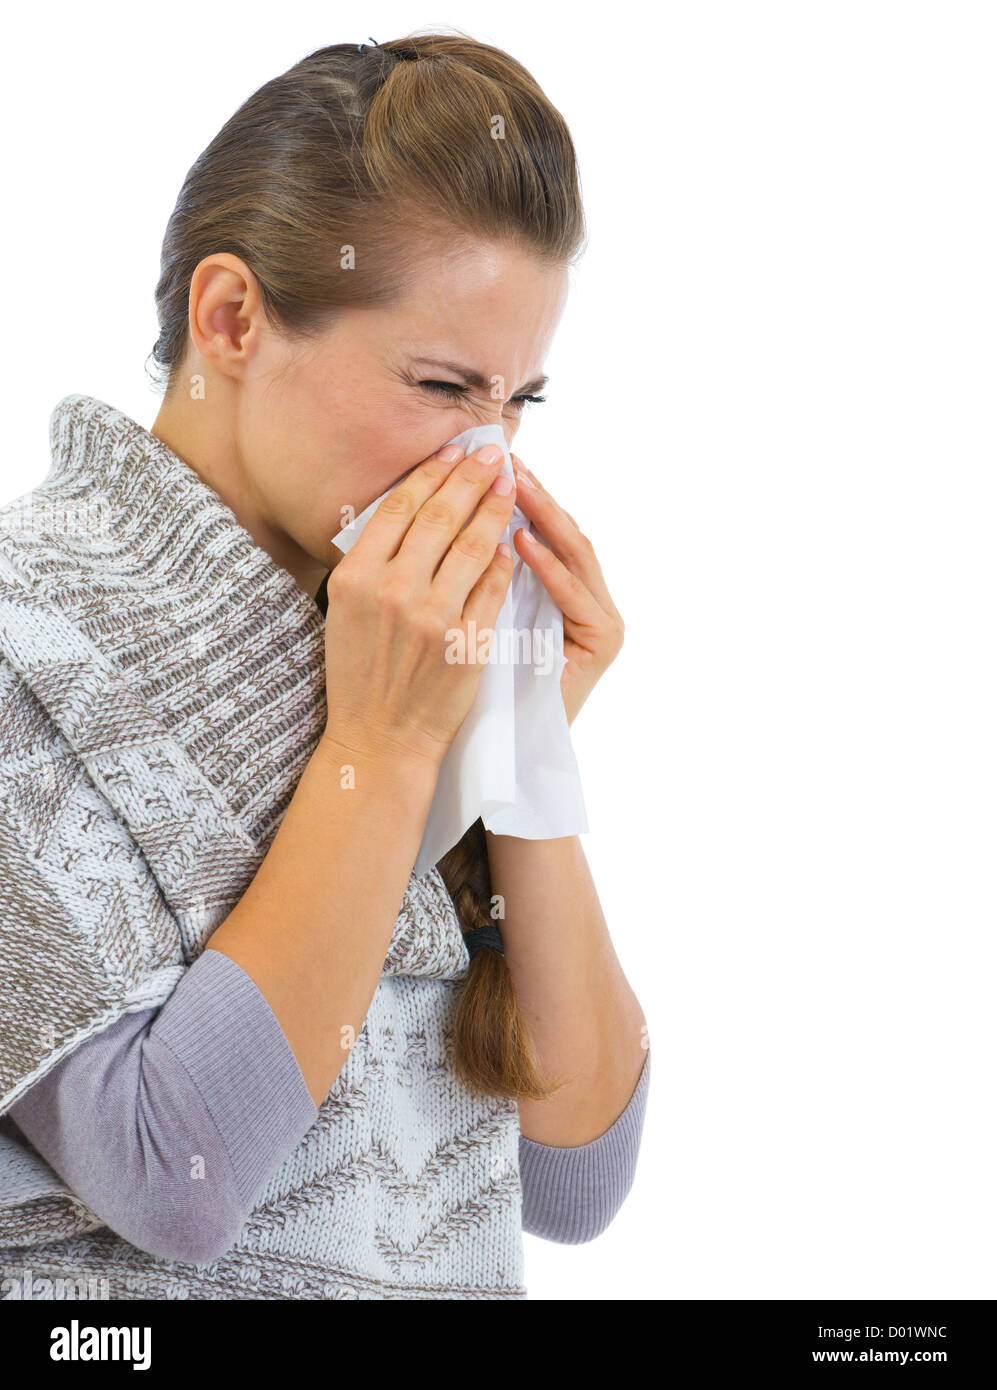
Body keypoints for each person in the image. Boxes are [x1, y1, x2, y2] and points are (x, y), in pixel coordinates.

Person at [0, 31, 649, 1302]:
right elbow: (166, 1174)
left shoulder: (389, 648)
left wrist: (518, 742)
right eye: (443, 384)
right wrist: (380, 752)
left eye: (521, 401)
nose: (489, 463)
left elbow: (575, 1173)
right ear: (231, 318)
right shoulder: (28, 637)